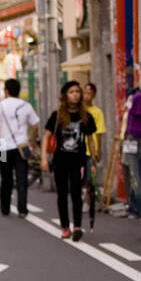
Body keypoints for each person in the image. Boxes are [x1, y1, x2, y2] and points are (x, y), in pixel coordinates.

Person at [43, 81, 97, 240]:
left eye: (77, 91)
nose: (75, 94)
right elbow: (46, 136)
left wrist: (93, 159)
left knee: (76, 192)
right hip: (59, 161)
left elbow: (91, 139)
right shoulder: (57, 115)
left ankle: (77, 226)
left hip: (78, 161)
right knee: (62, 194)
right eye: (71, 92)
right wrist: (43, 159)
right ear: (65, 96)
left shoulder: (86, 116)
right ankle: (65, 226)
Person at [0, 77, 39, 217]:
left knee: (6, 178)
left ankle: (5, 208)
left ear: (6, 91)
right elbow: (35, 124)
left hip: (4, 147)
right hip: (22, 145)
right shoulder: (26, 105)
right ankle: (22, 209)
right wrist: (32, 139)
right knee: (22, 177)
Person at [122, 85, 141, 217]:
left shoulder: (137, 98)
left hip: (133, 138)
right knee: (137, 173)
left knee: (136, 174)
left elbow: (135, 115)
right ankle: (136, 206)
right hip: (140, 137)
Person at [82, 82, 107, 231]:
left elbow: (99, 133)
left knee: (90, 178)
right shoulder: (78, 111)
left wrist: (98, 152)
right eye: (84, 93)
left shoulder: (97, 112)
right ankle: (83, 198)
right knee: (80, 177)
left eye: (89, 94)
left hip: (90, 151)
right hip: (78, 150)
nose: (86, 96)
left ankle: (87, 201)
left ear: (94, 96)